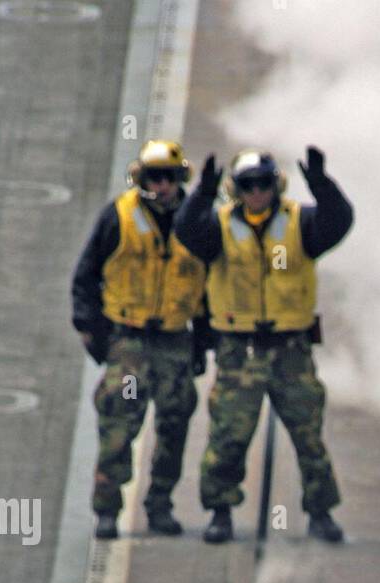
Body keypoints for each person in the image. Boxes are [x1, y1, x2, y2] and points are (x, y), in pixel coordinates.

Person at [173, 146, 353, 543]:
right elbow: (187, 232)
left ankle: (320, 512)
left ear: (276, 185)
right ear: (236, 189)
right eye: (248, 186)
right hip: (239, 350)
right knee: (229, 435)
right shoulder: (217, 226)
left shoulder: (300, 223)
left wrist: (322, 184)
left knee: (308, 433)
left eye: (264, 185)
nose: (257, 193)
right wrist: (202, 192)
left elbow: (339, 223)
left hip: (290, 349)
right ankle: (220, 511)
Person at [71, 139, 209, 539]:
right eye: (154, 177)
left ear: (180, 178)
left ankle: (160, 504)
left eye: (169, 177)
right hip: (130, 346)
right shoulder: (118, 217)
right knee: (121, 418)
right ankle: (107, 509)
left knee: (174, 423)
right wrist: (95, 337)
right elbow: (86, 277)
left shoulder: (198, 224)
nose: (162, 185)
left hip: (174, 344)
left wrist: (202, 346)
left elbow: (212, 288)